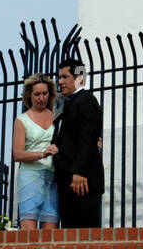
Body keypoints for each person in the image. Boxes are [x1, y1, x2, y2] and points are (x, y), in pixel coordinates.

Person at [53, 58, 104, 228]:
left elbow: (88, 138)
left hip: (82, 183)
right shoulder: (66, 105)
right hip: (68, 182)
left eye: (65, 77)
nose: (60, 82)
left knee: (85, 238)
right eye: (59, 77)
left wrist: (79, 171)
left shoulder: (85, 100)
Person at [13, 73, 59, 231]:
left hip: (53, 177)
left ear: (50, 94)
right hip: (29, 178)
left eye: (44, 93)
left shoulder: (57, 118)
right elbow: (17, 154)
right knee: (29, 231)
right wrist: (42, 154)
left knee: (51, 230)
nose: (41, 98)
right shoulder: (22, 120)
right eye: (37, 94)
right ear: (29, 95)